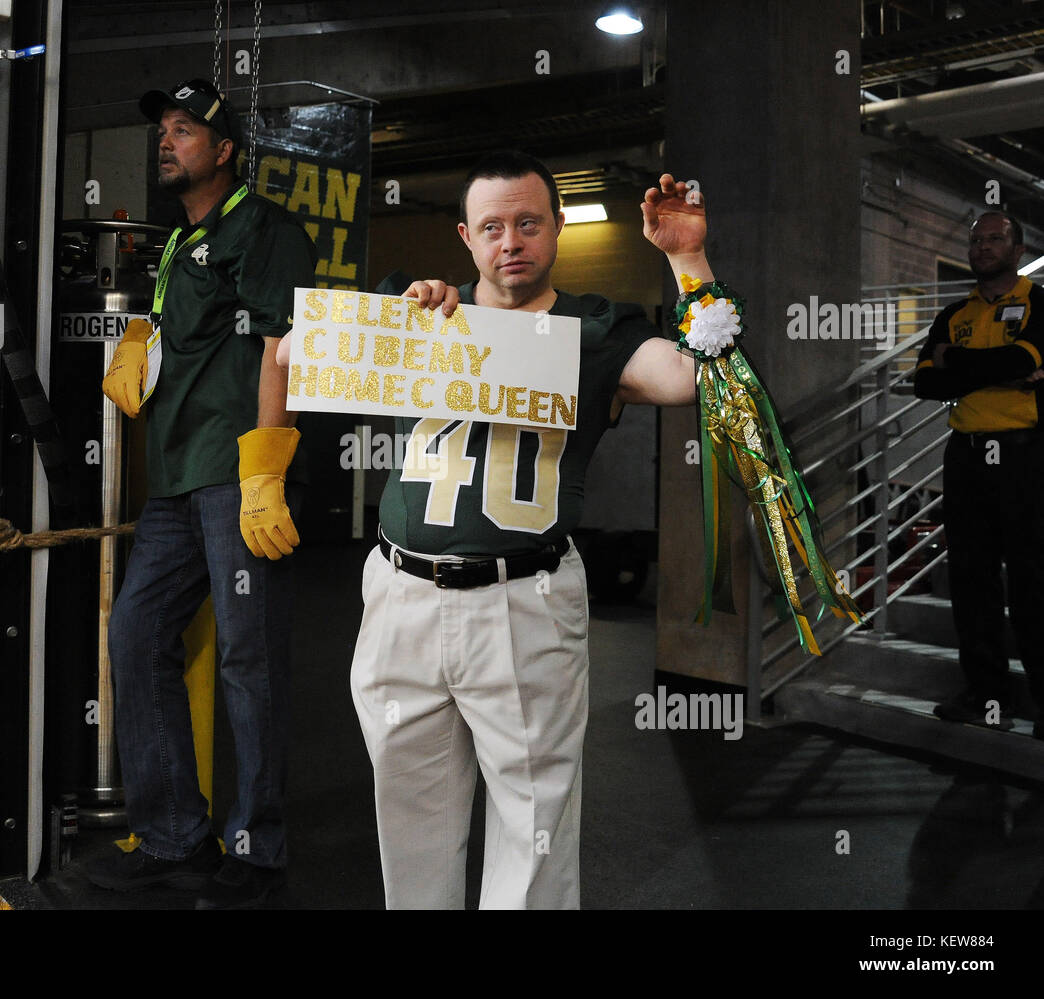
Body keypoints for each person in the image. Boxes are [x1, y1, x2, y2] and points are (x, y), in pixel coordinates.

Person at [283, 150, 714, 908]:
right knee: (409, 817)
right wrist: (393, 320)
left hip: (525, 597)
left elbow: (695, 376)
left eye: (527, 223)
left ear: (555, 230)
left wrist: (688, 258)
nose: (510, 240)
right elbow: (294, 352)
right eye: (492, 227)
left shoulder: (594, 329)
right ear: (466, 236)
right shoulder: (420, 313)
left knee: (534, 821)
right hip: (400, 593)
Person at [85, 78, 317, 908]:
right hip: (177, 480)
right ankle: (176, 832)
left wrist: (264, 468)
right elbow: (193, 340)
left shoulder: (266, 229)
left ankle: (257, 849)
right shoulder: (180, 246)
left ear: (224, 151)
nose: (167, 142)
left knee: (250, 660)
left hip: (234, 475)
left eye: (185, 131)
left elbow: (279, 350)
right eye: (164, 131)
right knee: (136, 632)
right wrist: (145, 342)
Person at [914, 210, 1044, 740]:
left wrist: (956, 363)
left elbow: (1026, 357)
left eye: (995, 239)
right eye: (976, 240)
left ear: (1018, 250)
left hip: (1026, 456)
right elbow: (924, 381)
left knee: (1036, 581)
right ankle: (986, 694)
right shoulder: (953, 313)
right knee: (972, 580)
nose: (983, 247)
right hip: (966, 457)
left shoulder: (1042, 303)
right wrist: (1006, 368)